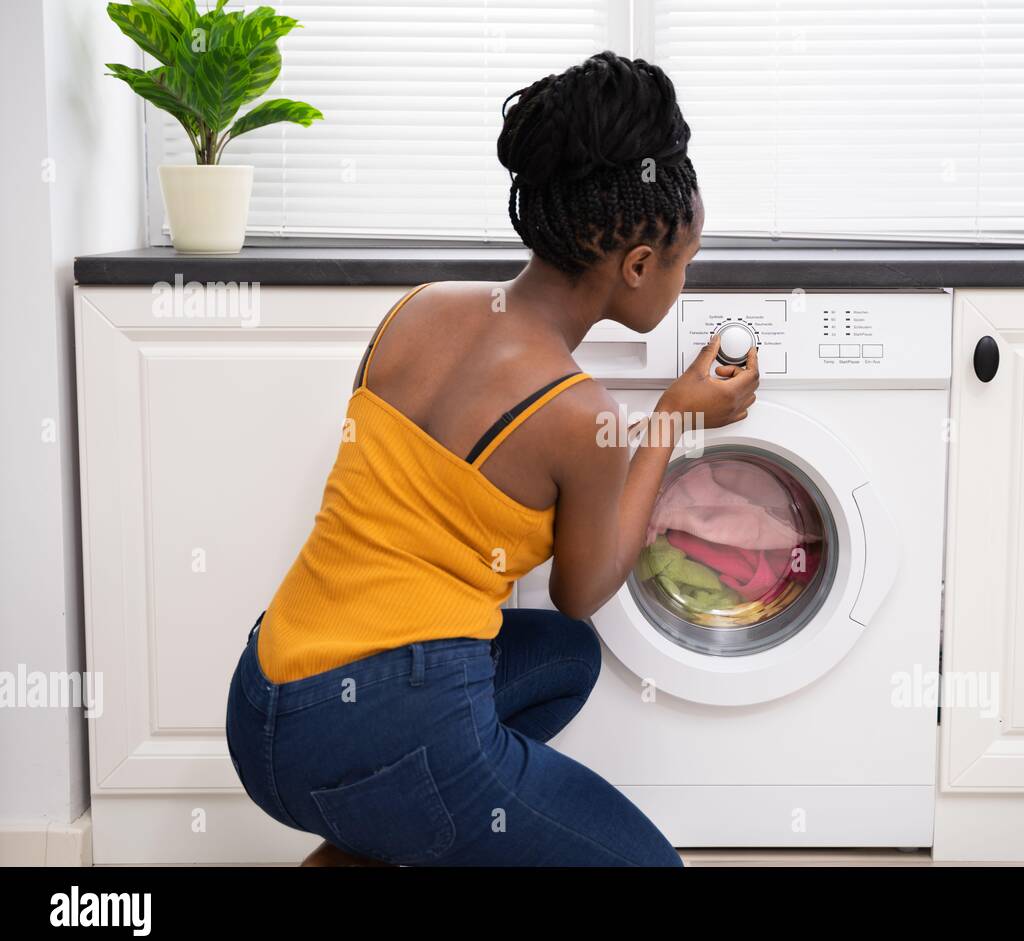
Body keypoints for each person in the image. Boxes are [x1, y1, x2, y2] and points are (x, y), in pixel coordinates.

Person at [225, 50, 759, 866]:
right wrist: (670, 423)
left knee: (562, 661)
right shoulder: (579, 415)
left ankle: (369, 830)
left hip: (263, 704)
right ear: (639, 266)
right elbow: (584, 590)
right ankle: (402, 797)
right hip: (387, 723)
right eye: (685, 260)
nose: (683, 277)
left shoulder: (419, 309)